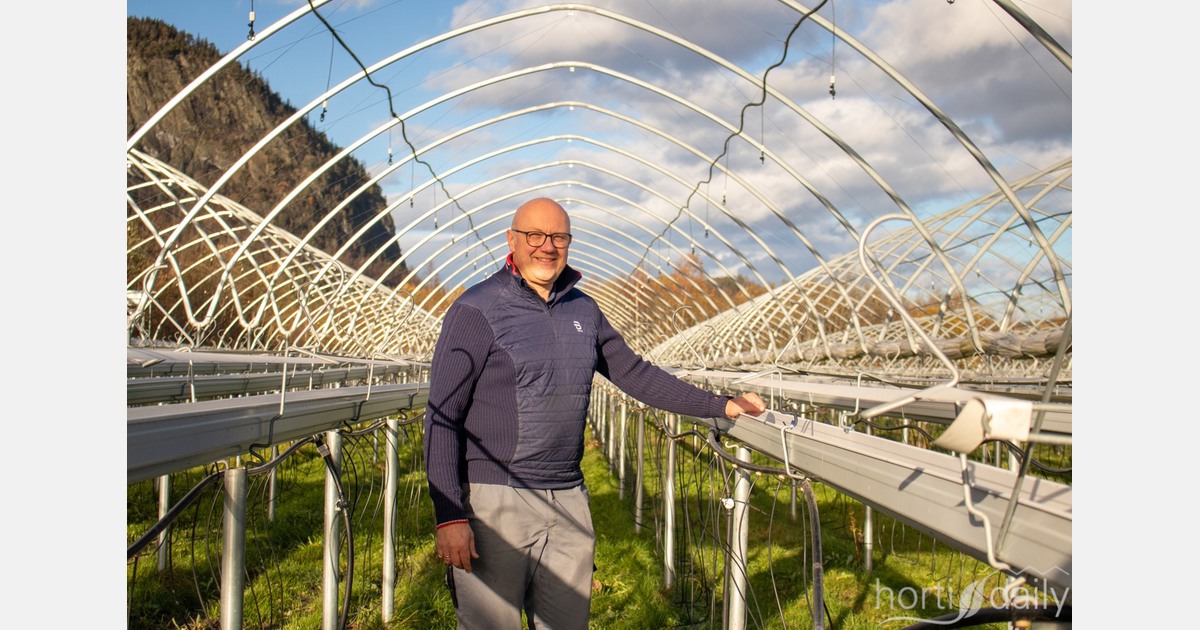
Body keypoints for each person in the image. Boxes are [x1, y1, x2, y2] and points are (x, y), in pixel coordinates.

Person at [424, 197, 766, 629]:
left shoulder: (583, 310)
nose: (546, 246)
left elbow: (635, 374)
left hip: (568, 498)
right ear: (511, 239)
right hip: (495, 503)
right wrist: (450, 514)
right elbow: (441, 417)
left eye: (558, 237)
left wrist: (720, 406)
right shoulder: (476, 309)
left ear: (568, 243)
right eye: (534, 235)